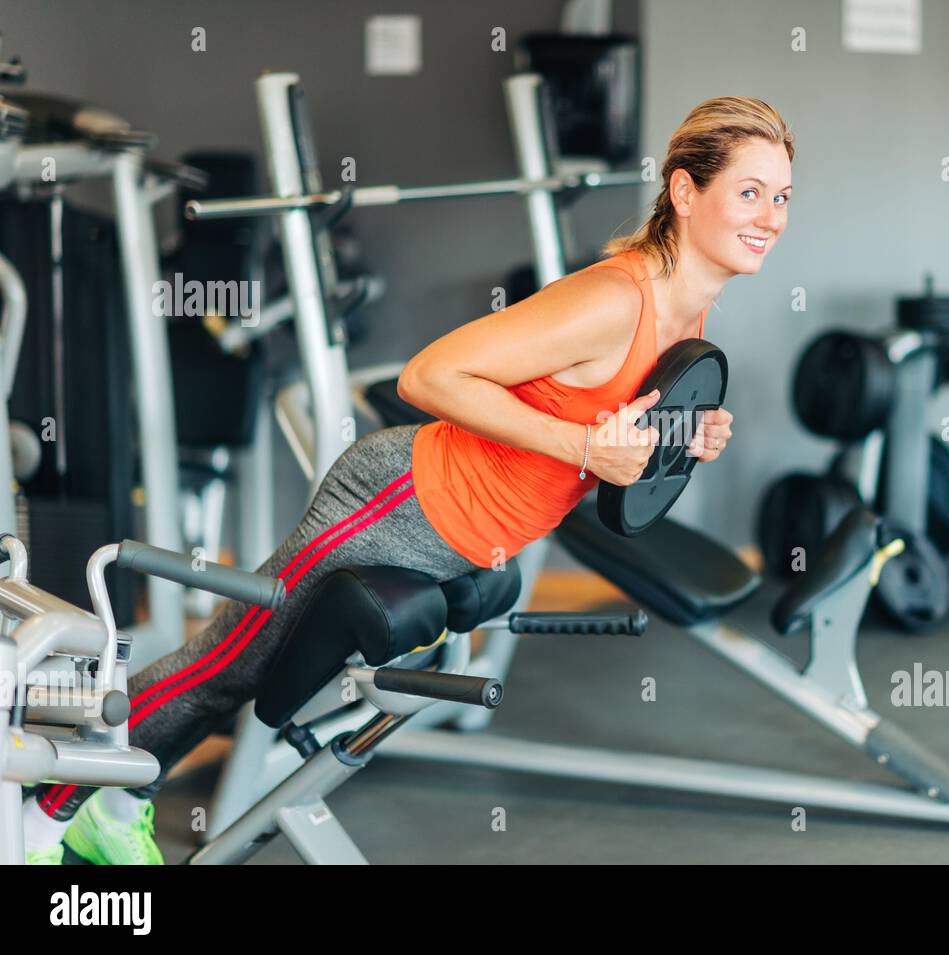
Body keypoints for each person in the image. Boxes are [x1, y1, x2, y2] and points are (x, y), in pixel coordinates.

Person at [23, 95, 793, 864]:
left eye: (782, 196)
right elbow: (431, 375)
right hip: (401, 499)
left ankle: (117, 803)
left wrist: (676, 444)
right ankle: (43, 813)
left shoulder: (687, 316)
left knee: (244, 671)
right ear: (687, 193)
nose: (770, 215)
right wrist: (589, 445)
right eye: (750, 192)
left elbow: (595, 450)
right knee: (228, 664)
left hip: (460, 536)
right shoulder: (613, 299)